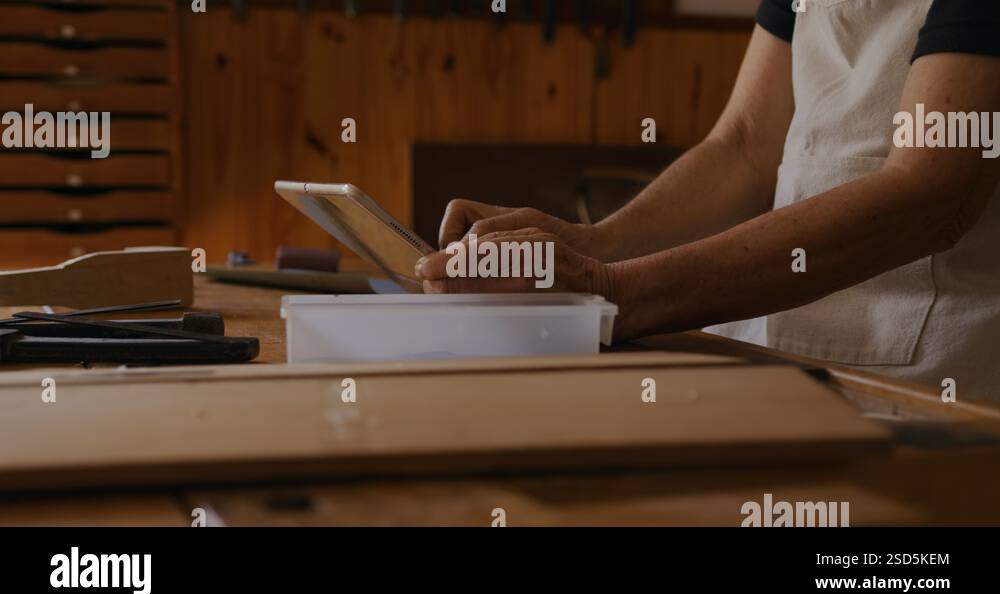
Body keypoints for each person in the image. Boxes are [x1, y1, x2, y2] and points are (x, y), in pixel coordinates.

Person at [415, 0, 1000, 402]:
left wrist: (613, 290)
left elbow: (932, 195)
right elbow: (744, 147)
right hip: (777, 360)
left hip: (938, 387)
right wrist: (594, 244)